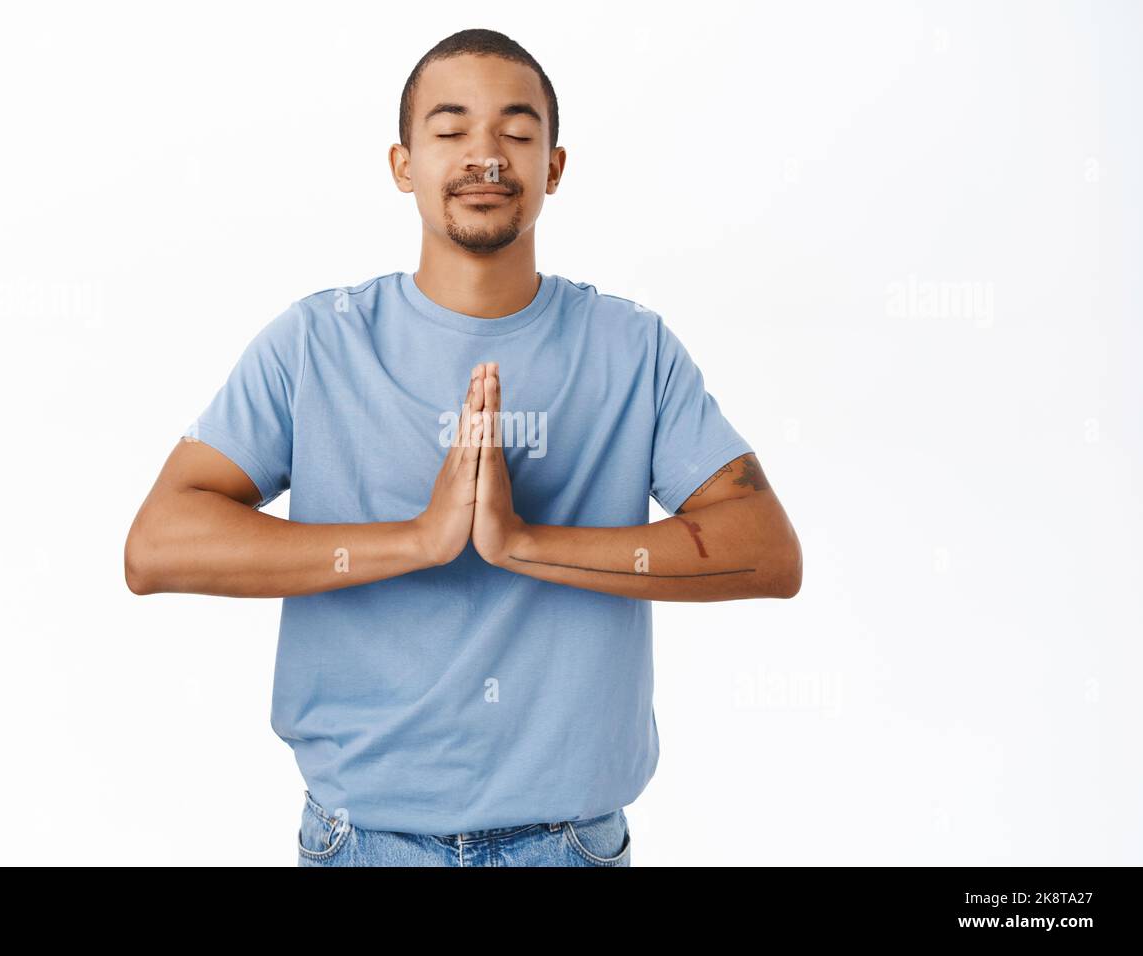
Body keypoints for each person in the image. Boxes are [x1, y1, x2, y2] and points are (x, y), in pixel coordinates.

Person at [124, 28, 802, 867]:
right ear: (403, 164)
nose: (485, 156)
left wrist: (523, 543)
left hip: (571, 845)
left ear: (554, 168)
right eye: (450, 131)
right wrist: (418, 540)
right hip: (361, 843)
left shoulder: (633, 348)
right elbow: (155, 548)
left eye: (517, 134)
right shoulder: (316, 343)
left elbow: (768, 553)